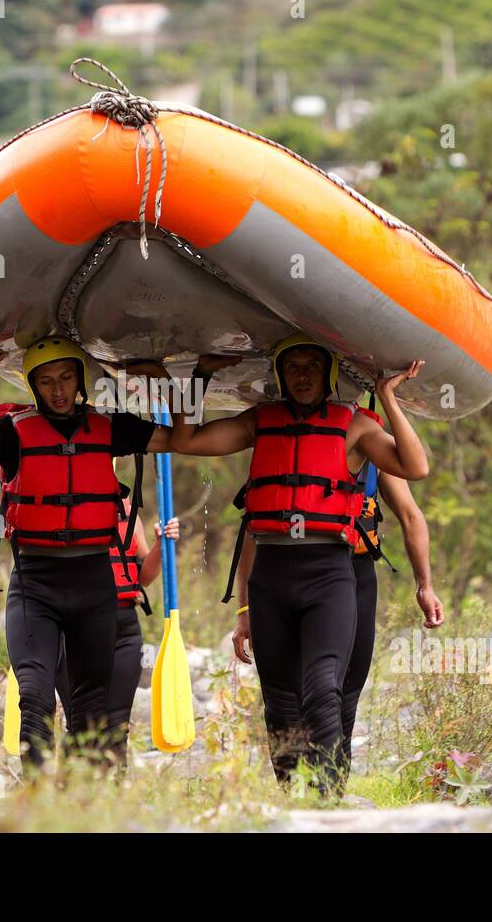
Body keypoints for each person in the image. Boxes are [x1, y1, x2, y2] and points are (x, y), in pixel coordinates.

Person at [170, 334, 429, 794]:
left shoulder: (354, 427)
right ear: (280, 375)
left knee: (324, 687)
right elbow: (186, 440)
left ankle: (329, 802)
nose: (303, 375)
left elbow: (415, 466)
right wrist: (201, 375)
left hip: (330, 572)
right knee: (280, 701)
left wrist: (387, 396)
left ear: (328, 375)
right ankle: (294, 800)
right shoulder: (259, 422)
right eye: (293, 367)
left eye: (313, 366)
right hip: (271, 576)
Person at [0, 336, 179, 771]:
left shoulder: (110, 427)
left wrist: (166, 385)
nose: (57, 390)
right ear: (33, 387)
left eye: (66, 377)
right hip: (35, 585)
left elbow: (181, 438)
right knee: (33, 693)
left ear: (79, 379)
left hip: (94, 587)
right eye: (46, 381)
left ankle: (83, 799)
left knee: (90, 708)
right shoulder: (14, 433)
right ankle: (36, 795)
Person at [231, 398, 445, 794]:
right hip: (283, 573)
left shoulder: (366, 443)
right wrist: (244, 608)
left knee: (339, 693)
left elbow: (412, 516)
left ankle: (329, 793)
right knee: (284, 695)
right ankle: (294, 792)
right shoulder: (285, 447)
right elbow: (253, 528)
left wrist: (424, 585)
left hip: (351, 578)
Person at [55, 496, 180, 769]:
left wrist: (162, 544)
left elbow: (143, 576)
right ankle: (73, 795)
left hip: (123, 626)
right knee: (81, 725)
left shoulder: (128, 510)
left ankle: (114, 795)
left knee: (116, 726)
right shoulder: (66, 502)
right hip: (76, 627)